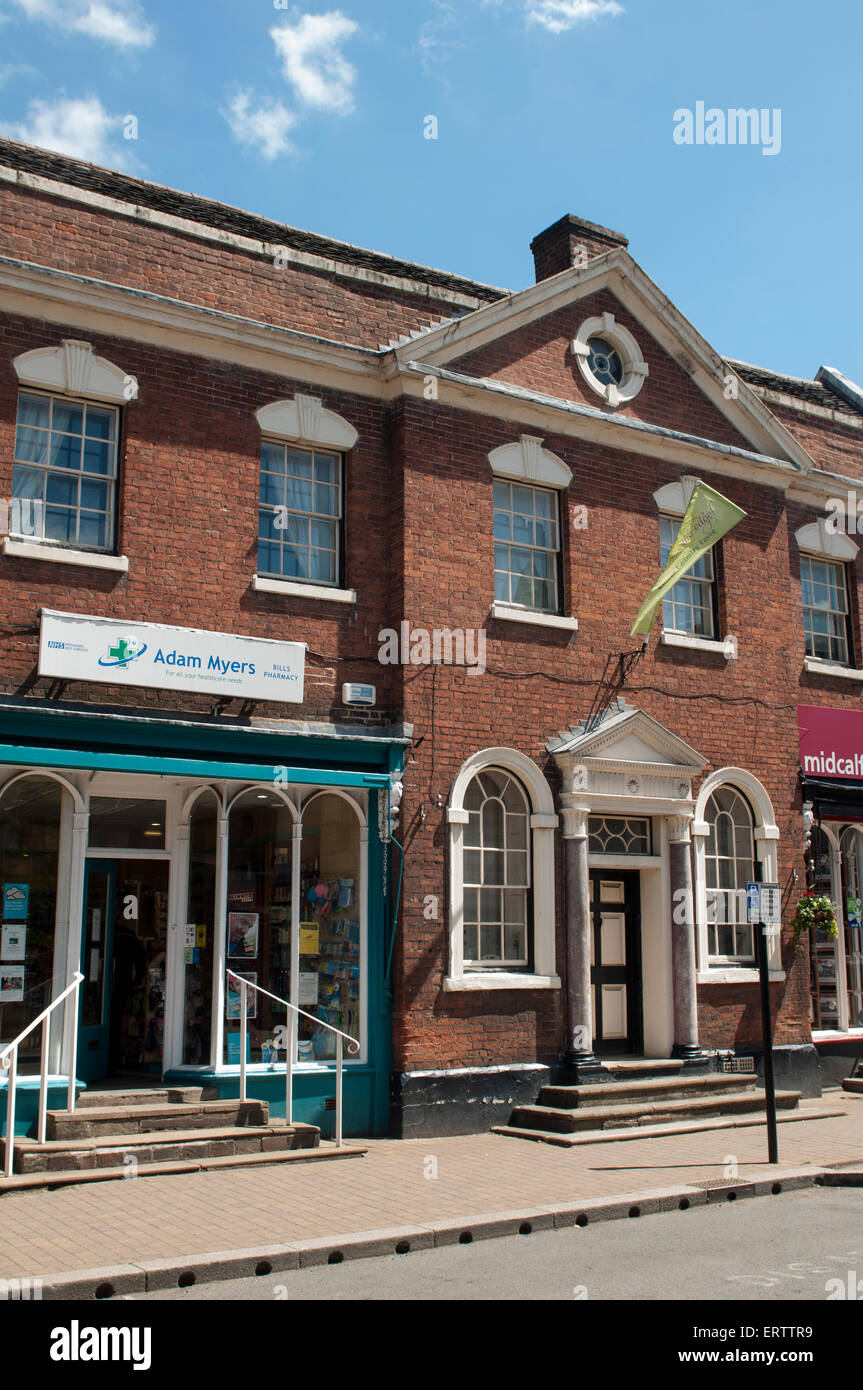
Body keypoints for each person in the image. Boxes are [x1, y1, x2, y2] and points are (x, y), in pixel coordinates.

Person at [109, 921, 146, 1073]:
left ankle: (111, 1056)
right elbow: (140, 960)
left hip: (102, 983)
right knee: (117, 1019)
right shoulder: (127, 934)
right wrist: (137, 980)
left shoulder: (105, 931)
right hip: (122, 982)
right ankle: (114, 1056)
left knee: (109, 1018)